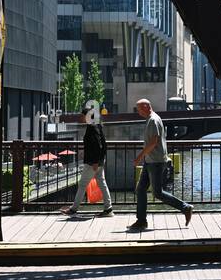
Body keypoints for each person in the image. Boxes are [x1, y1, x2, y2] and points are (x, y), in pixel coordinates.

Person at [129, 98, 193, 231]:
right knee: (141, 189)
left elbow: (153, 142)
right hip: (151, 161)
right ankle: (141, 221)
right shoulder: (152, 119)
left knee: (157, 193)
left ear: (147, 106)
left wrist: (139, 157)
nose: (138, 112)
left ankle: (185, 207)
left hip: (156, 162)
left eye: (139, 109)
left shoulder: (153, 120)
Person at [60, 110, 114, 217]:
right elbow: (103, 145)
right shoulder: (97, 126)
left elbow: (98, 145)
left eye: (83, 116)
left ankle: (74, 209)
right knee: (102, 183)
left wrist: (94, 161)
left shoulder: (92, 127)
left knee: (83, 184)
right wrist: (100, 160)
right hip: (98, 161)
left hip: (92, 162)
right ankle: (108, 209)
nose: (81, 118)